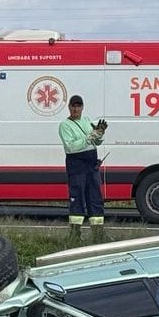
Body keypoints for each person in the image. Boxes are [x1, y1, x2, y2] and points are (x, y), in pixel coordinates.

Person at [59, 95, 106, 239]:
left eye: (78, 106)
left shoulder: (86, 121)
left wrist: (99, 134)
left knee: (95, 199)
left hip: (91, 167)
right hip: (77, 167)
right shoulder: (65, 125)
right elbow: (71, 147)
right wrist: (90, 137)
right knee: (77, 199)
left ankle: (98, 234)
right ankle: (75, 234)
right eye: (73, 106)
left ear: (82, 107)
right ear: (69, 107)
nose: (76, 109)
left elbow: (96, 143)